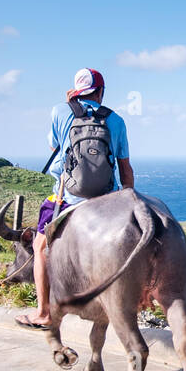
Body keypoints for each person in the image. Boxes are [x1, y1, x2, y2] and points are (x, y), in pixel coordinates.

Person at [16, 68, 133, 329]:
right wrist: (128, 201)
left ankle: (44, 313)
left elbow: (54, 147)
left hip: (65, 198)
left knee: (41, 247)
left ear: (76, 92)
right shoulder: (116, 121)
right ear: (101, 92)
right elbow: (125, 168)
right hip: (106, 201)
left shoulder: (60, 112)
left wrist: (69, 104)